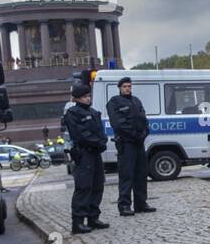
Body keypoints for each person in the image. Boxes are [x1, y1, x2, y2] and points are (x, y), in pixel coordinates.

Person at [62, 83, 109, 234]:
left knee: (97, 185)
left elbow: (101, 132)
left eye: (89, 96)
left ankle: (93, 218)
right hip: (84, 153)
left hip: (95, 153)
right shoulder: (72, 113)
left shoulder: (94, 112)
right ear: (76, 98)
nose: (88, 99)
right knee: (83, 187)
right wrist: (97, 142)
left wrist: (102, 142)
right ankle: (78, 222)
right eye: (84, 97)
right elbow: (80, 135)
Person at [106, 76, 155, 217]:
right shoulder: (114, 102)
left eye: (129, 86)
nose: (127, 88)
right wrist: (134, 134)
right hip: (126, 143)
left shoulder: (136, 101)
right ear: (120, 88)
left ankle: (141, 203)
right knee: (126, 175)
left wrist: (144, 133)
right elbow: (118, 123)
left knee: (141, 173)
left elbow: (144, 120)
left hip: (139, 143)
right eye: (125, 86)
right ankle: (124, 205)